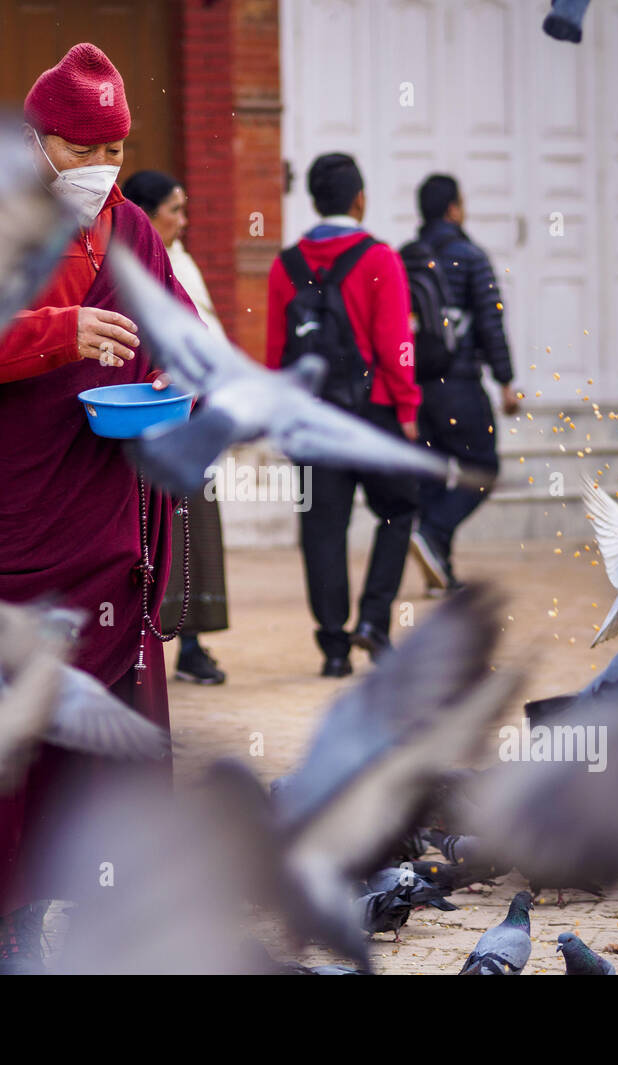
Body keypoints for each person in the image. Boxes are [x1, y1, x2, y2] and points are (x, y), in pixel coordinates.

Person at [0, 42, 194, 974]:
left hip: (107, 531)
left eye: (113, 149)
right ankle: (10, 927)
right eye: (81, 149)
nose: (100, 170)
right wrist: (57, 333)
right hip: (5, 532)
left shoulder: (132, 230)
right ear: (37, 143)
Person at [265, 153, 421, 677]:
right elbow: (397, 345)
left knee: (322, 530)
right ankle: (374, 622)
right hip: (372, 412)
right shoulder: (381, 259)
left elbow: (274, 352)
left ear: (313, 201)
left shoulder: (284, 265)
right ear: (360, 199)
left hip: (311, 420)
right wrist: (408, 410)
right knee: (399, 510)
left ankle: (333, 649)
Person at [123, 169, 229, 684]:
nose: (183, 221)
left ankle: (189, 640)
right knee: (146, 534)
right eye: (175, 210)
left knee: (194, 529)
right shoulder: (132, 262)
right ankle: (139, 644)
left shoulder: (179, 261)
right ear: (145, 213)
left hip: (193, 415)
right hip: (148, 416)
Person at [406, 175, 518, 593]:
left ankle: (440, 573)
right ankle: (433, 534)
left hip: (417, 388)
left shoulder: (406, 258)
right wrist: (505, 380)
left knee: (433, 475)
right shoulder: (471, 257)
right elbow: (491, 321)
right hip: (459, 383)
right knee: (483, 468)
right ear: (453, 209)